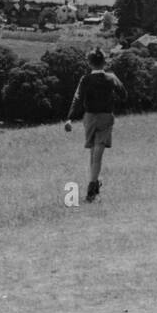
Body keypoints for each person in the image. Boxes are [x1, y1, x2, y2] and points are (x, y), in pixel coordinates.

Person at [64, 49, 127, 203]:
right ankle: (92, 187)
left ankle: (94, 183)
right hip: (106, 116)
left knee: (93, 153)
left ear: (89, 62)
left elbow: (77, 98)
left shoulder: (85, 79)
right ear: (104, 62)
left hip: (89, 117)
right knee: (98, 153)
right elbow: (124, 94)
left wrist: (70, 118)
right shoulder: (111, 77)